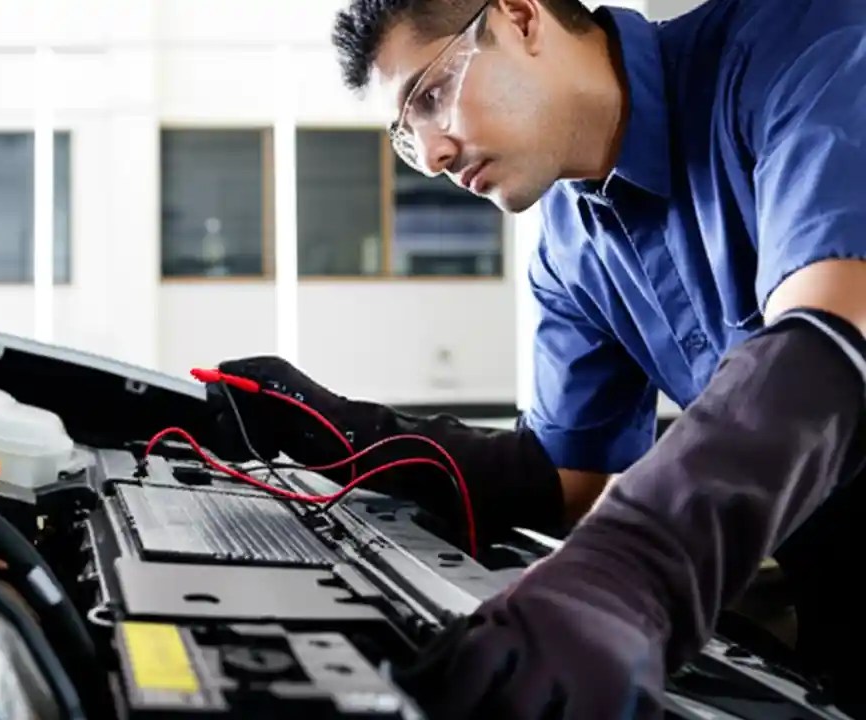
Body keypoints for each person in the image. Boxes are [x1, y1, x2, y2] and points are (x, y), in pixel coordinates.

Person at [201, 0, 866, 715]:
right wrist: (349, 435)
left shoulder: (812, 49)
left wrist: (629, 569)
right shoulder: (569, 244)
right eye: (407, 134)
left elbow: (834, 336)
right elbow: (568, 477)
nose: (432, 156)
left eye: (431, 96)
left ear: (520, 18)